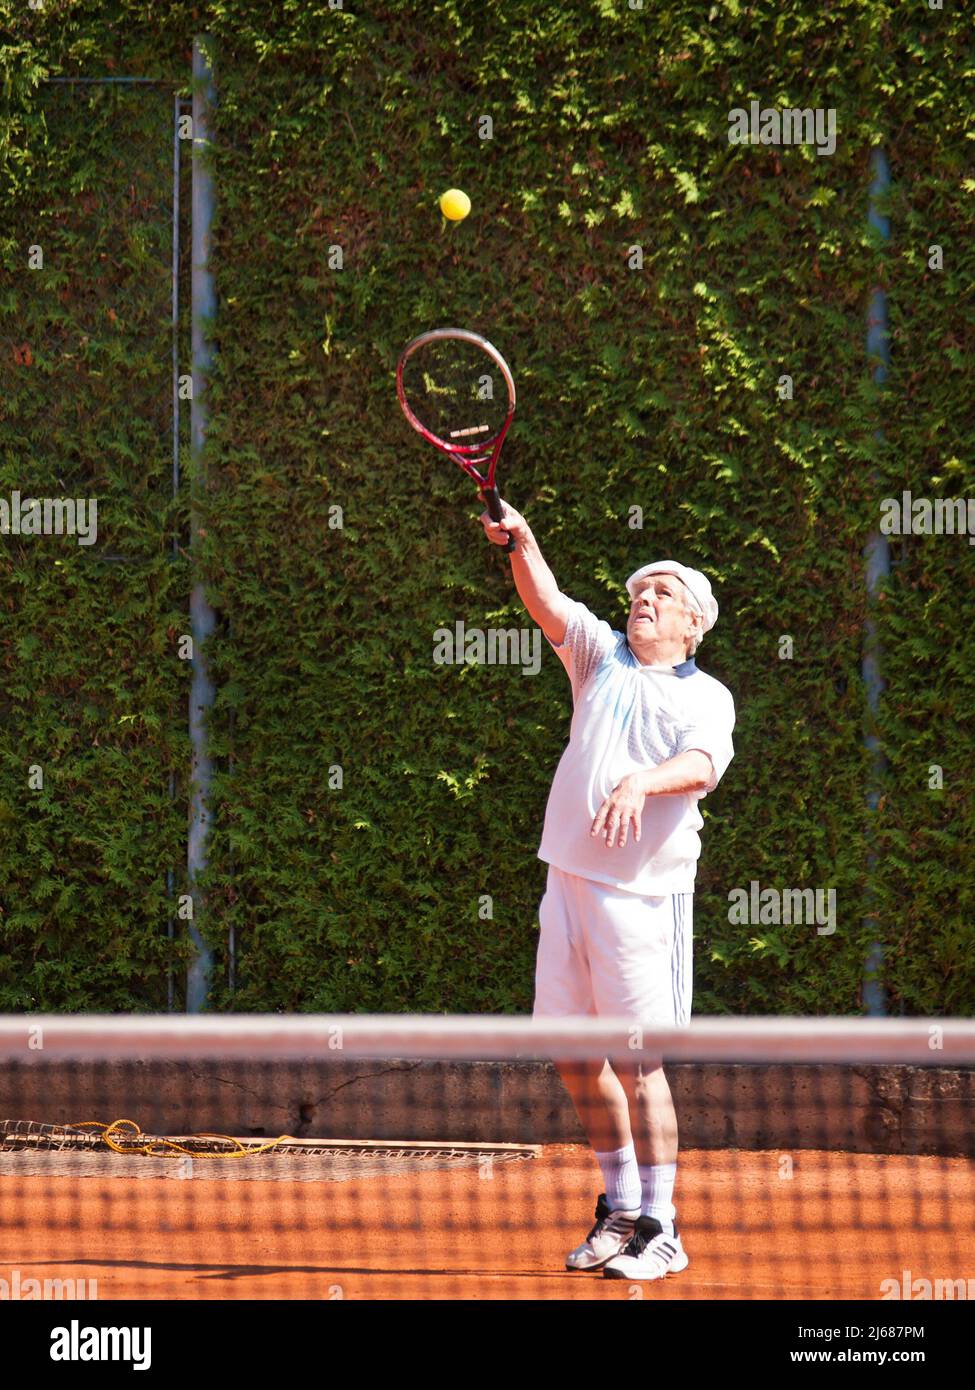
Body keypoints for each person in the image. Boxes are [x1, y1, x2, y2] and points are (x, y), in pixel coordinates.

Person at [480, 499, 735, 1280]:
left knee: (637, 1063)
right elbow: (547, 601)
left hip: (642, 899)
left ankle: (662, 1227)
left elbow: (701, 767)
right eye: (637, 591)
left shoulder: (705, 695)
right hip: (567, 885)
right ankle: (621, 1207)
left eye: (661, 593)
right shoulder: (598, 660)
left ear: (693, 624)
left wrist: (638, 783)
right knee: (569, 1054)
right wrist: (521, 540)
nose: (642, 599)